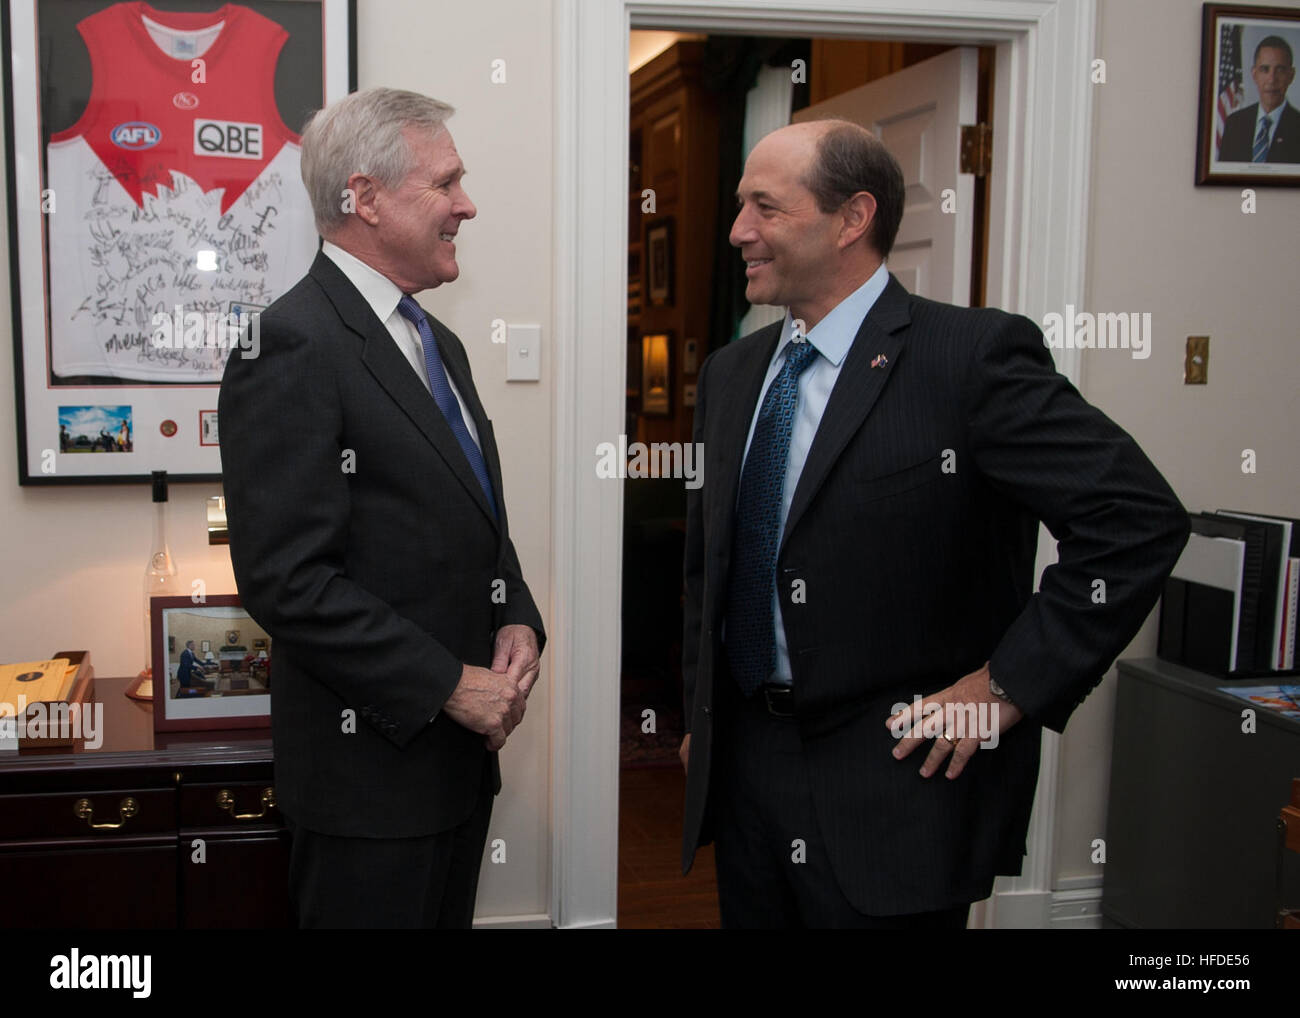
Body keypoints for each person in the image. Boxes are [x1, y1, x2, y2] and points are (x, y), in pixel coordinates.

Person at [678, 120, 1189, 929]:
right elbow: (709, 568)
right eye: (741, 206)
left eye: (765, 208)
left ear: (852, 218)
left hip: (894, 784)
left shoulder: (969, 357)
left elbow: (1135, 520)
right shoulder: (733, 373)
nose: (738, 231)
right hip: (747, 774)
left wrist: (1004, 686)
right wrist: (700, 719)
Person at [219, 88, 545, 928]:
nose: (466, 205)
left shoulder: (440, 342)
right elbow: (287, 581)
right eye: (446, 184)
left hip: (458, 769)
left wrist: (517, 616)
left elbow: (475, 520)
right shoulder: (292, 343)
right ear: (362, 198)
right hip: (369, 786)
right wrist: (450, 686)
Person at [1218, 36, 1300, 163]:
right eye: (1264, 69)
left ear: (1291, 75)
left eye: (1280, 70)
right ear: (1254, 74)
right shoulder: (1234, 124)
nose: (1272, 79)